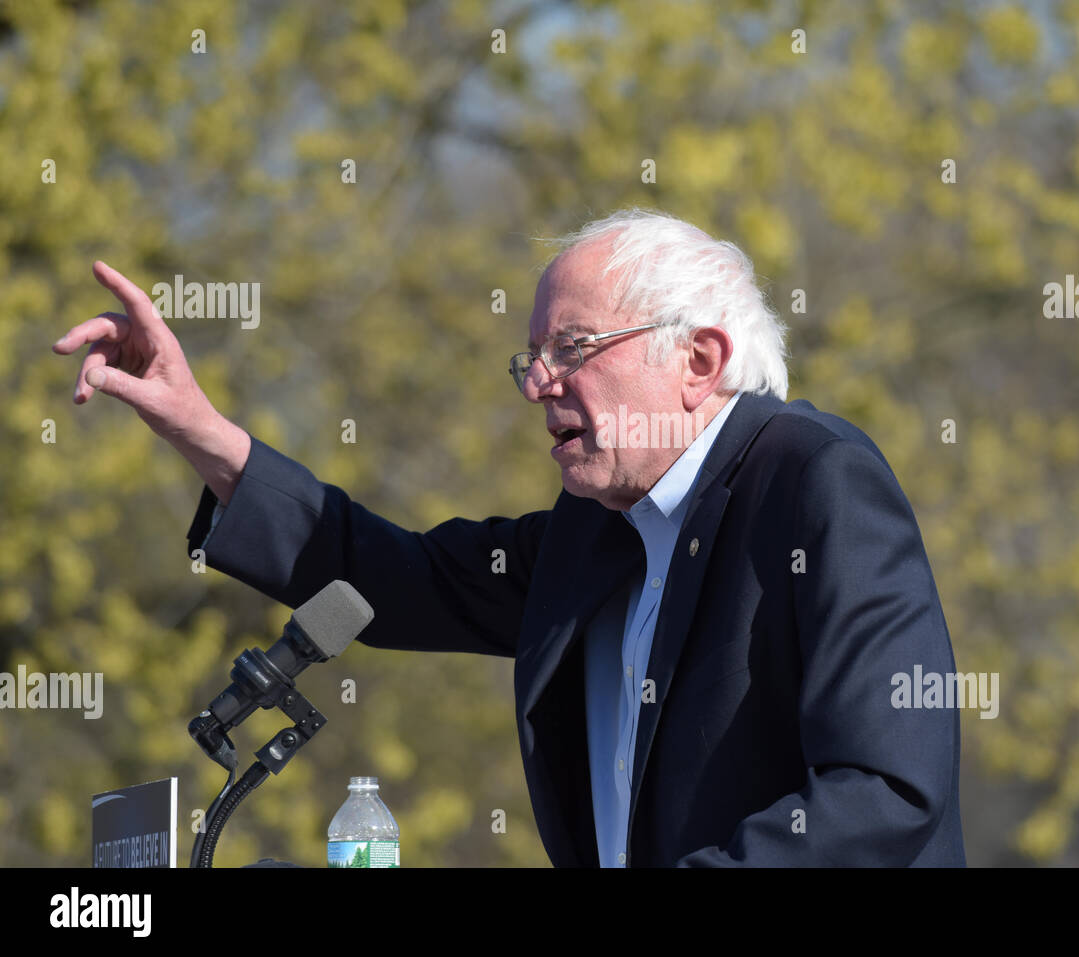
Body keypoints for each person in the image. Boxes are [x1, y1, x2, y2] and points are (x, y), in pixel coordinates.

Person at [54, 208, 965, 866]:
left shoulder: (817, 484)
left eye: (572, 348)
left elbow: (887, 790)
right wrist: (200, 429)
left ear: (698, 360)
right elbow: (389, 576)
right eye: (532, 357)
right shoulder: (595, 533)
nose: (537, 384)